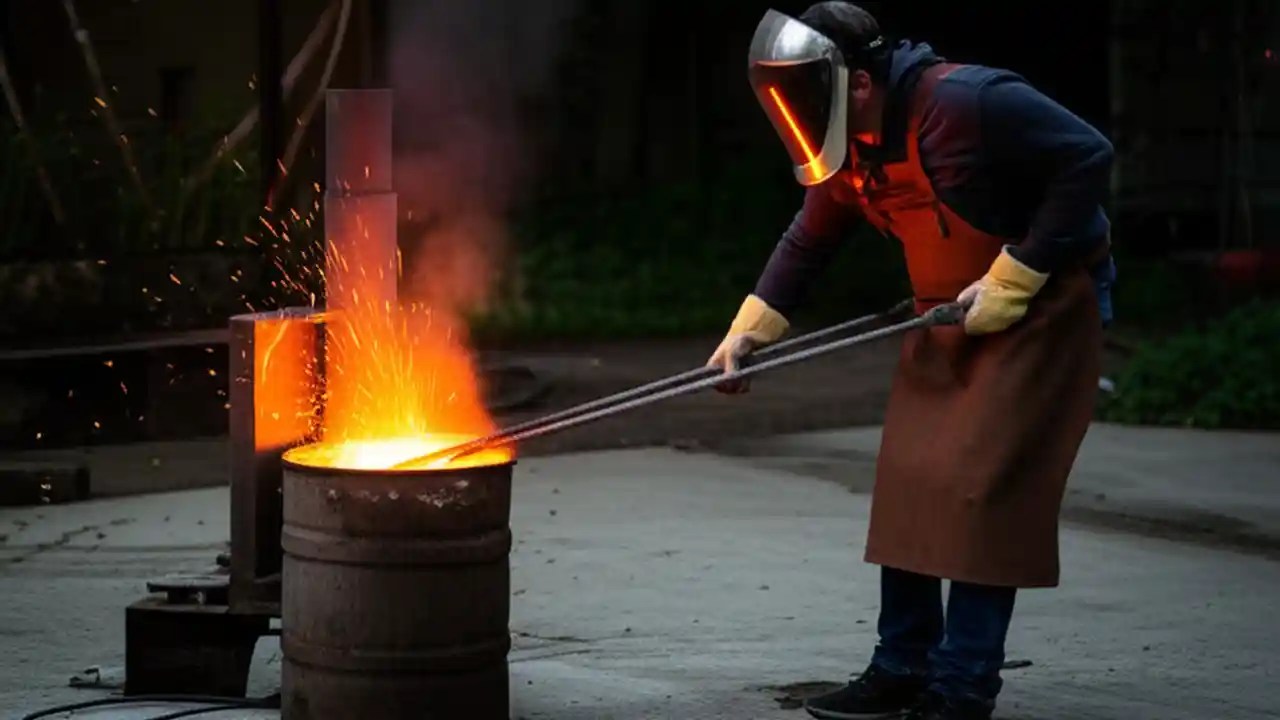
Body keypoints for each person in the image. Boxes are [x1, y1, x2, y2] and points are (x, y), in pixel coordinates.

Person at [707, 4, 1116, 720]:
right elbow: (812, 234)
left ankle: (961, 687)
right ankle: (901, 666)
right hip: (945, 314)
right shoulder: (849, 145)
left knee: (982, 496)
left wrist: (1015, 275)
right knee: (911, 485)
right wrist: (753, 328)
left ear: (858, 83)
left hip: (1040, 306)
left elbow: (1088, 156)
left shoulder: (970, 104)